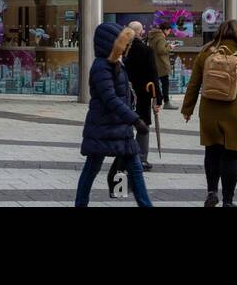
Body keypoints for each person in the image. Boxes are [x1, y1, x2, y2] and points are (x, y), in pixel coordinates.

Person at [180, 18, 237, 207]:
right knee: (231, 156)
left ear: (218, 32)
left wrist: (187, 109)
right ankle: (228, 201)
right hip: (236, 114)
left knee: (211, 152)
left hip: (209, 112)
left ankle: (212, 192)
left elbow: (194, 84)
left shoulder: (206, 53)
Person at [74, 21, 152, 207]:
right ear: (112, 43)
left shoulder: (117, 63)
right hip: (103, 127)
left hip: (120, 128)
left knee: (135, 169)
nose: (126, 47)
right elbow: (110, 99)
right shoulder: (101, 66)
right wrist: (135, 120)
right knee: (92, 168)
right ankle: (80, 204)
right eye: (123, 43)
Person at [108, 20, 160, 191]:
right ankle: (141, 158)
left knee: (127, 131)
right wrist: (158, 98)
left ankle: (123, 189)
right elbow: (153, 74)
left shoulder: (122, 51)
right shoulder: (145, 50)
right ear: (138, 32)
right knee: (143, 124)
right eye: (142, 29)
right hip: (143, 93)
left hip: (126, 95)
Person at [148, 21, 173, 108]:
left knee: (155, 83)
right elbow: (161, 50)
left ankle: (157, 100)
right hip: (161, 64)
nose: (169, 32)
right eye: (169, 30)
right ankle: (166, 102)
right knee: (165, 83)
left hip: (154, 63)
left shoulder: (153, 36)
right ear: (165, 30)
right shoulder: (161, 38)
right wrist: (170, 47)